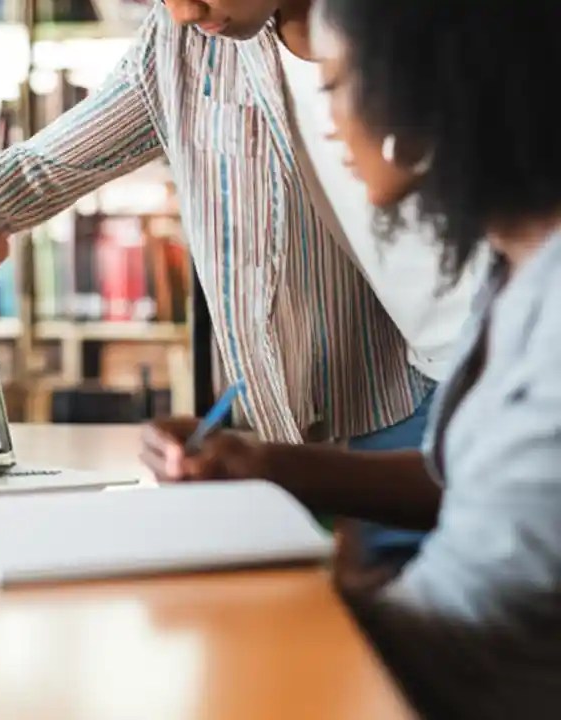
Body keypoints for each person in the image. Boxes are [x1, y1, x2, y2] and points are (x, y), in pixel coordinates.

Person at [0, 0, 485, 570]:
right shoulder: (187, 42)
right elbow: (50, 162)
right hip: (381, 390)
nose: (186, 10)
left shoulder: (421, 27)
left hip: (495, 362)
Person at [144, 1, 561, 714]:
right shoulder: (518, 261)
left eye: (336, 83)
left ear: (435, 84)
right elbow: (476, 484)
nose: (327, 117)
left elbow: (465, 629)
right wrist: (267, 465)